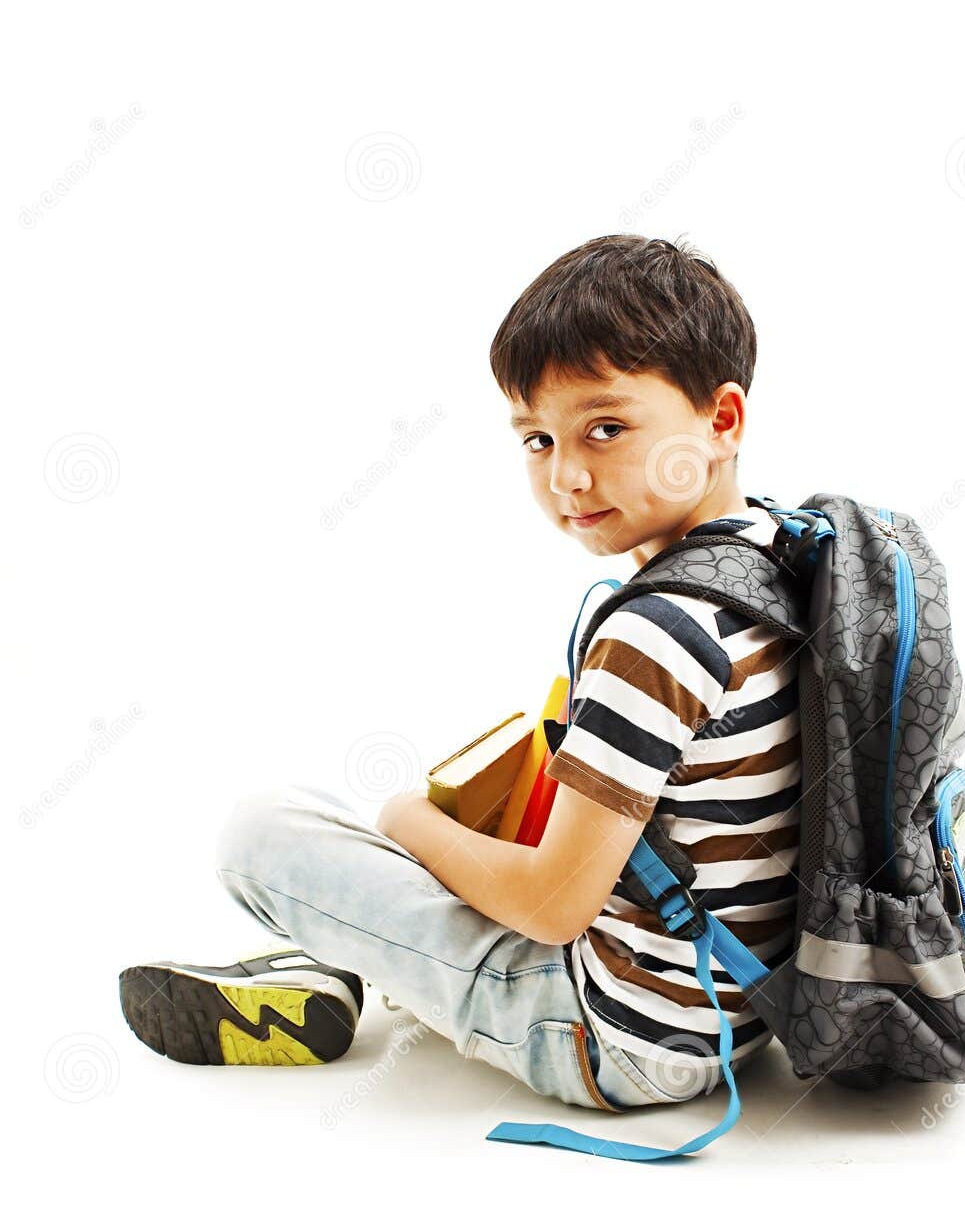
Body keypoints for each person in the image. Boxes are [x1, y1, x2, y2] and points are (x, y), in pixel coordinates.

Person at [119, 234, 800, 1117]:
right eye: (536, 439)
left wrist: (406, 824)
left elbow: (554, 907)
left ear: (721, 420)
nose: (567, 474)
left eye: (606, 428)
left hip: (616, 1039)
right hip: (749, 1015)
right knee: (466, 845)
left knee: (265, 832)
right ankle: (346, 960)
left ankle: (342, 960)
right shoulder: (784, 565)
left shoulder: (659, 629)